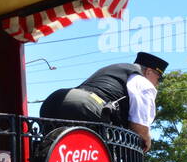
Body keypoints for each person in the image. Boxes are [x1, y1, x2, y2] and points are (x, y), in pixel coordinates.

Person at [39, 51, 167, 153]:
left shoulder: (116, 69)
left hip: (54, 101)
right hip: (86, 107)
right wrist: (147, 139)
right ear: (149, 71)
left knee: (49, 153)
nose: (157, 84)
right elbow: (139, 127)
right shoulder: (142, 81)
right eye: (158, 79)